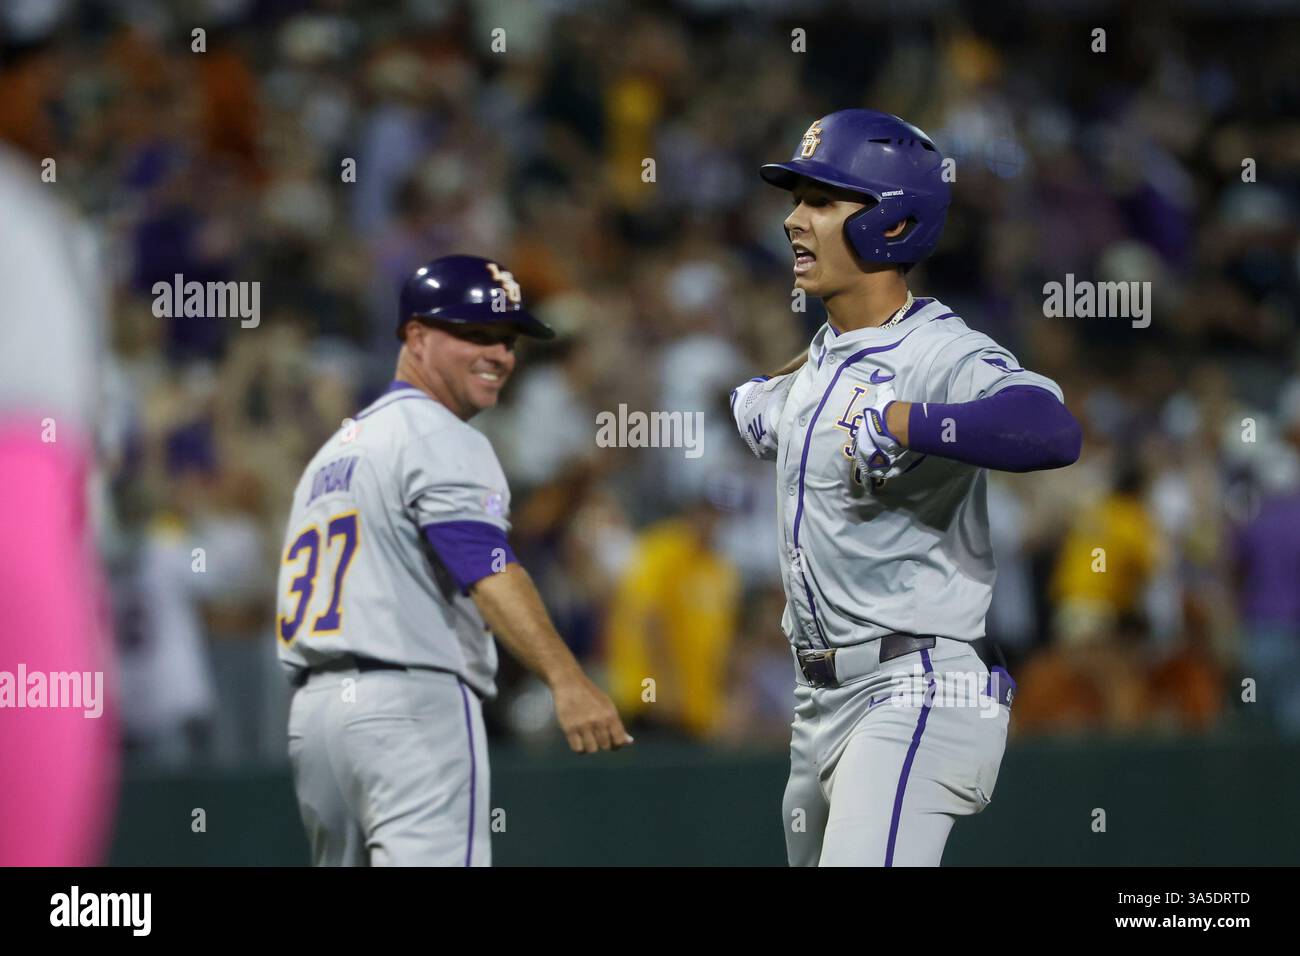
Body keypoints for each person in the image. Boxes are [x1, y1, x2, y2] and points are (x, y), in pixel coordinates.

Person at [731, 110, 1081, 866]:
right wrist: (760, 403)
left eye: (823, 200)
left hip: (918, 688)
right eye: (796, 198)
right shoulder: (824, 353)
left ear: (892, 223)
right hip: (818, 699)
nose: (794, 218)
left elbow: (1051, 430)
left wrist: (909, 421)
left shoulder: (939, 350)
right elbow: (788, 406)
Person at [278, 255, 631, 867]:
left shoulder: (333, 453)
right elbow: (487, 565)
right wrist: (567, 679)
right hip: (410, 705)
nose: (500, 355)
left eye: (507, 340)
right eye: (476, 334)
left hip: (316, 722)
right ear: (416, 336)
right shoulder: (441, 435)